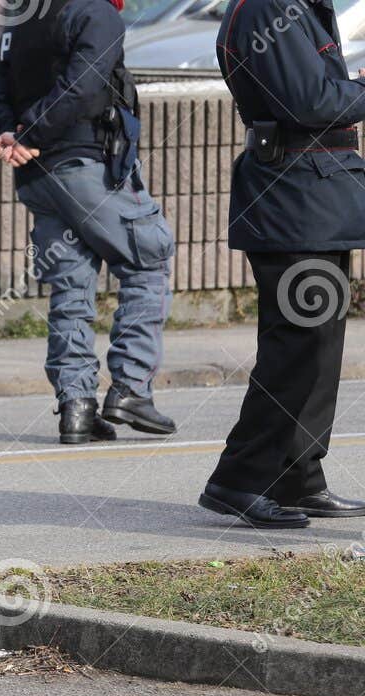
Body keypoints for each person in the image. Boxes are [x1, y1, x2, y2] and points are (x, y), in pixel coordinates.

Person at [0, 0, 179, 445]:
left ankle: (77, 408)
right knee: (148, 260)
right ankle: (131, 389)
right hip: (86, 168)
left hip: (37, 177)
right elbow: (83, 86)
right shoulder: (96, 13)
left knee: (71, 287)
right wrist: (29, 135)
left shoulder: (22, 21)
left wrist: (8, 134)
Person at [203, 0, 365, 529]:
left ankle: (299, 476)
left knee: (320, 346)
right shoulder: (268, 8)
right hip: (292, 197)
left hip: (316, 196)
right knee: (296, 346)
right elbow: (308, 101)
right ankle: (240, 479)